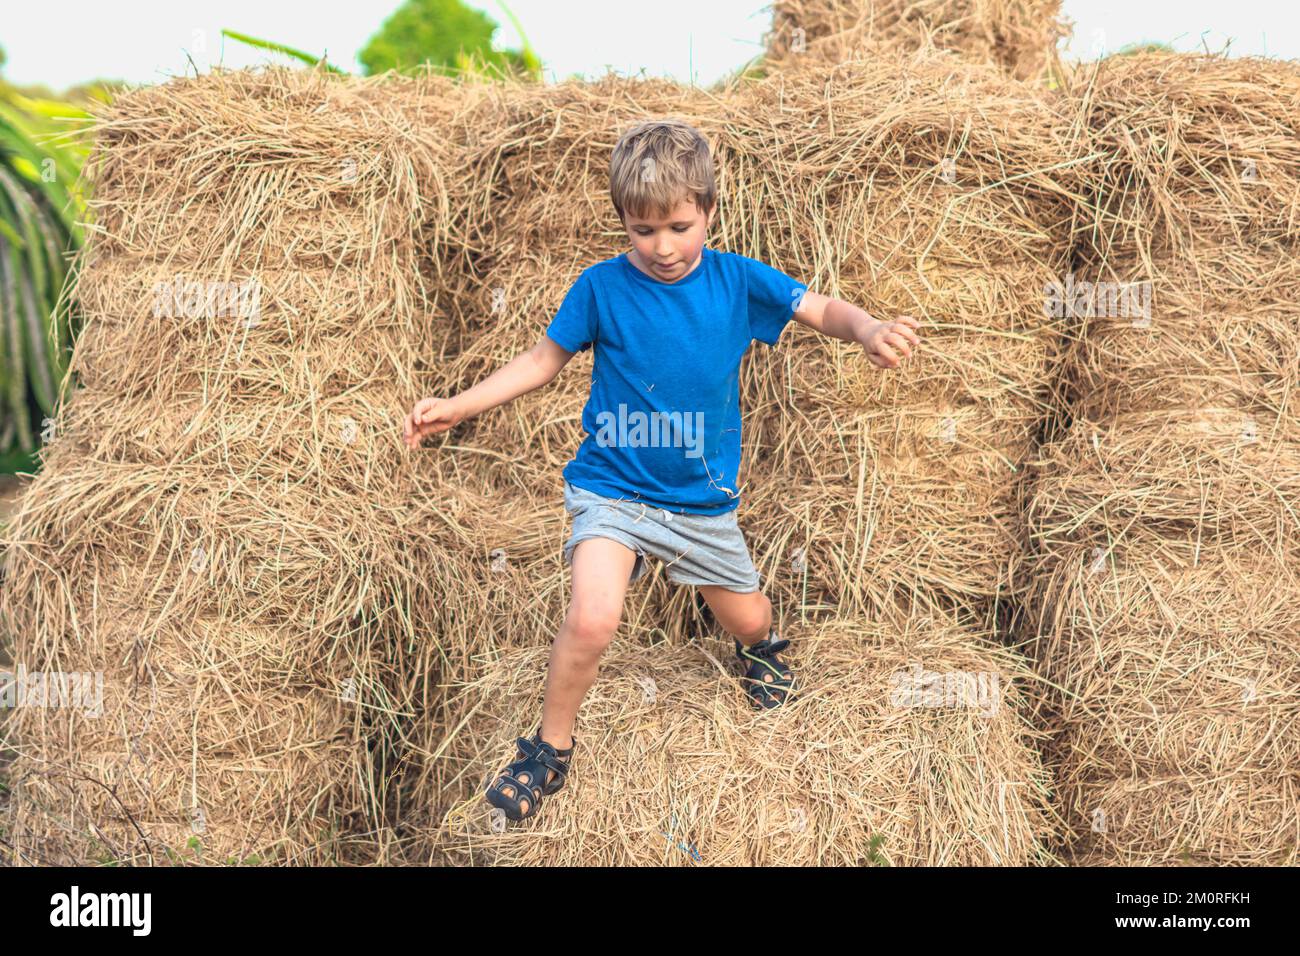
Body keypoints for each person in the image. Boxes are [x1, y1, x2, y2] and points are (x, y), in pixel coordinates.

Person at [402, 118, 921, 822]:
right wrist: (458, 407)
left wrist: (866, 328)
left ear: (709, 210)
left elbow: (818, 306)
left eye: (679, 225)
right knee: (593, 616)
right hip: (613, 488)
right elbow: (540, 362)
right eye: (643, 230)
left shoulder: (737, 280)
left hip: (699, 502)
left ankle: (760, 647)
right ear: (622, 221)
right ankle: (549, 749)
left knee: (748, 614)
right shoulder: (600, 288)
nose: (664, 247)